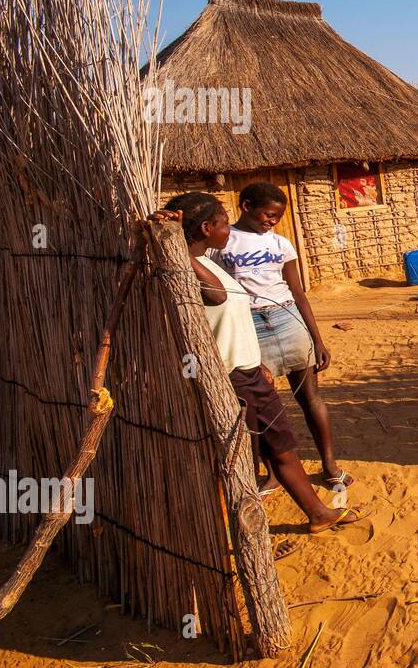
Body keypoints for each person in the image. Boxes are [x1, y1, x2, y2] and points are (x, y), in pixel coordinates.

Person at [152, 194, 365, 549]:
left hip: (247, 369)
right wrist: (170, 235)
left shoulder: (206, 260)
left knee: (280, 444)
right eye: (222, 223)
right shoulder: (193, 265)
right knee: (262, 448)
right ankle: (274, 523)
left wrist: (259, 363)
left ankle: (316, 513)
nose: (228, 229)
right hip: (232, 374)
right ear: (206, 228)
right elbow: (218, 297)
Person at [214, 182, 351, 493]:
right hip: (249, 326)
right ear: (246, 206)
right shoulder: (222, 243)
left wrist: (317, 339)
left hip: (288, 320)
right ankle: (273, 473)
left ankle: (329, 465)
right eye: (267, 214)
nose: (271, 221)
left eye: (276, 216)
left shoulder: (281, 244)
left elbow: (298, 292)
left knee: (310, 398)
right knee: (259, 408)